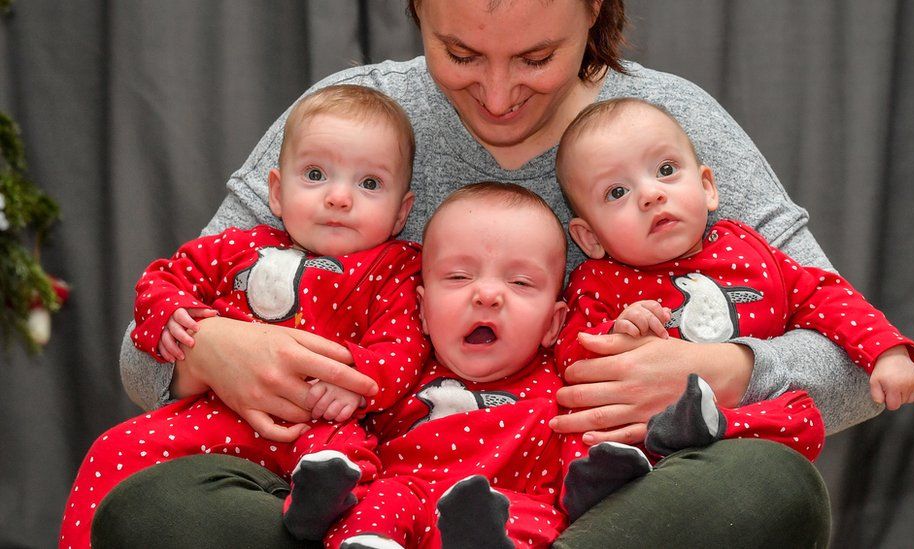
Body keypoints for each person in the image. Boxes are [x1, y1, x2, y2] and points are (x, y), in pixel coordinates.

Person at [96, 1, 859, 546]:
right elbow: (142, 357)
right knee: (155, 509)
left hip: (593, 497)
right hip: (359, 489)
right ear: (416, 12)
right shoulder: (354, 121)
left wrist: (725, 368)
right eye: (460, 54)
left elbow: (855, 364)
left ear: (595, 11)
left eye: (536, 57)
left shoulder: (665, 126)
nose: (498, 95)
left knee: (772, 486)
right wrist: (210, 351)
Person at [60, 84, 430, 547]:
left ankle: (329, 518)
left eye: (369, 184)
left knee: (351, 476)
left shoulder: (397, 269)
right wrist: (170, 313)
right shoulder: (240, 246)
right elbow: (164, 278)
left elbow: (405, 347)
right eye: (315, 174)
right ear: (277, 192)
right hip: (219, 414)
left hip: (322, 430)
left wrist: (355, 379)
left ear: (401, 212)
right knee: (114, 449)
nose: (339, 197)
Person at [552, 98, 914, 521]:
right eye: (617, 192)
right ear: (589, 237)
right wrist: (616, 334)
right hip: (637, 455)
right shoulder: (598, 281)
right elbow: (569, 359)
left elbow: (826, 295)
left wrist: (886, 351)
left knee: (798, 415)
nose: (651, 195)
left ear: (708, 187)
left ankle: (705, 427)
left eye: (666, 171)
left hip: (734, 450)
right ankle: (606, 489)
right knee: (581, 438)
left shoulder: (750, 253)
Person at [320, 182, 570, 548]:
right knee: (378, 503)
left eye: (519, 282)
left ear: (552, 323)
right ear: (421, 310)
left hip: (507, 509)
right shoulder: (398, 372)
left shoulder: (563, 387)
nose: (487, 295)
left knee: (533, 522)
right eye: (459, 277)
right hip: (406, 504)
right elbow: (345, 432)